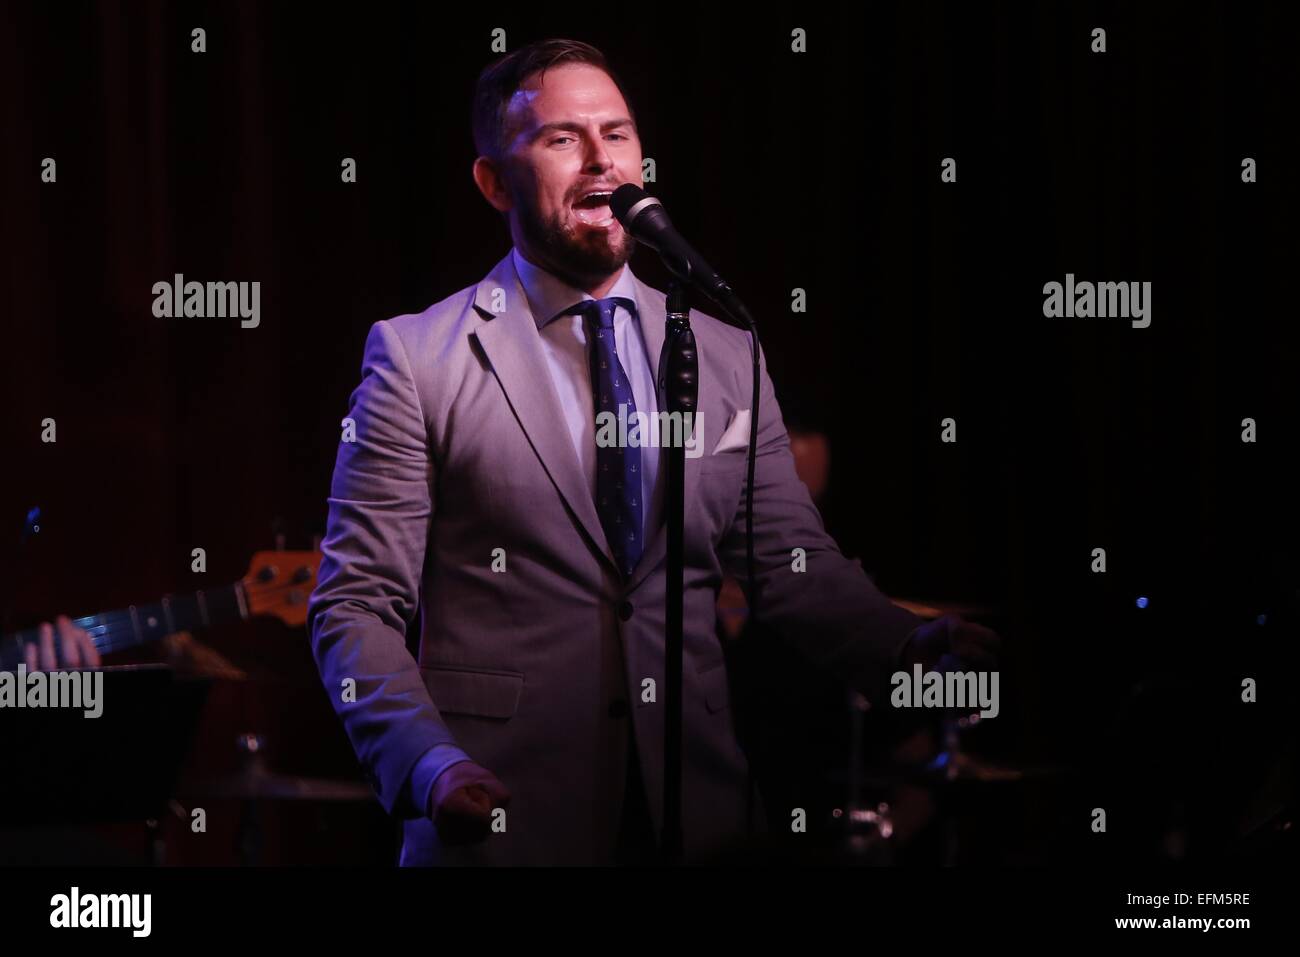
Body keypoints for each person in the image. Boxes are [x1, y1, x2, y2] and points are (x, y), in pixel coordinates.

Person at [307, 38, 999, 866]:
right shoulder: (420, 358)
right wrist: (427, 763)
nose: (603, 158)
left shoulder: (723, 350)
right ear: (494, 181)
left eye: (619, 133)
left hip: (696, 815)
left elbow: (788, 565)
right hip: (500, 821)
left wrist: (907, 645)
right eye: (563, 138)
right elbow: (354, 603)